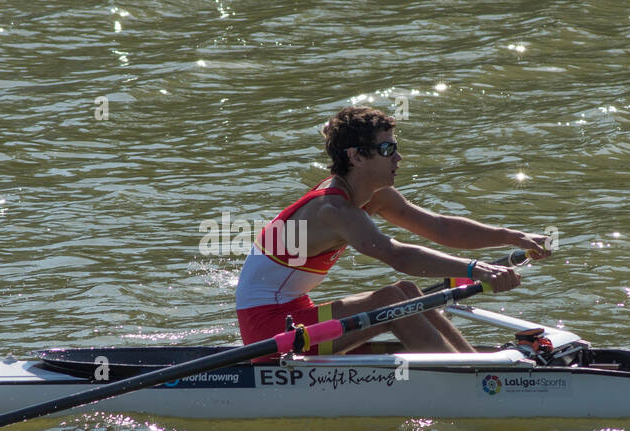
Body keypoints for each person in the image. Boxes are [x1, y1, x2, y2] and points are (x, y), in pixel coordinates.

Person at [234, 106, 551, 354]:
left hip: (296, 312)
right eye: (387, 150)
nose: (398, 157)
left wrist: (512, 236)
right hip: (271, 331)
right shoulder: (334, 209)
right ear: (357, 157)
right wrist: (478, 270)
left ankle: (469, 363)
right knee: (390, 302)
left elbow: (440, 227)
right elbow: (397, 254)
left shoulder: (373, 194)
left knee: (405, 293)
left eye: (395, 148)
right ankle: (469, 383)